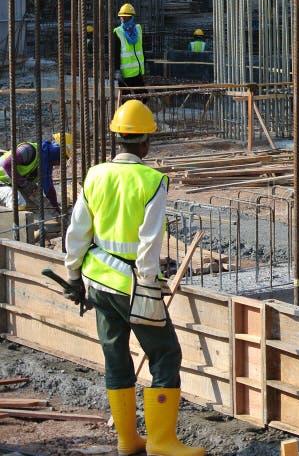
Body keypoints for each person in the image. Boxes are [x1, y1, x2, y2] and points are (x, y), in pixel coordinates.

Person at [63, 100, 205, 456]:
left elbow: (77, 231)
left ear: (118, 139)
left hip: (97, 281)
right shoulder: (152, 180)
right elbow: (149, 241)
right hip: (132, 285)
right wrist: (148, 286)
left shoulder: (95, 174)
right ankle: (161, 441)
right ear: (145, 143)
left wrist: (73, 275)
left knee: (115, 355)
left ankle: (127, 440)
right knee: (165, 354)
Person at [0, 133, 71, 213]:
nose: (60, 162)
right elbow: (7, 165)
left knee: (35, 207)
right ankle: (14, 225)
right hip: (2, 184)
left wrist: (56, 209)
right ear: (57, 150)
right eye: (63, 157)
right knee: (17, 199)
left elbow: (49, 190)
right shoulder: (28, 150)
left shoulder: (45, 164)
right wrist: (24, 183)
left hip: (11, 185)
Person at [113, 3, 146, 96]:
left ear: (132, 17)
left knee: (143, 98)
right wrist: (117, 70)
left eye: (126, 17)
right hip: (125, 75)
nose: (123, 19)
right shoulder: (118, 32)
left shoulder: (138, 29)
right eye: (122, 17)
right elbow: (115, 54)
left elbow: (142, 48)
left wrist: (145, 65)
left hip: (138, 73)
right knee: (126, 102)